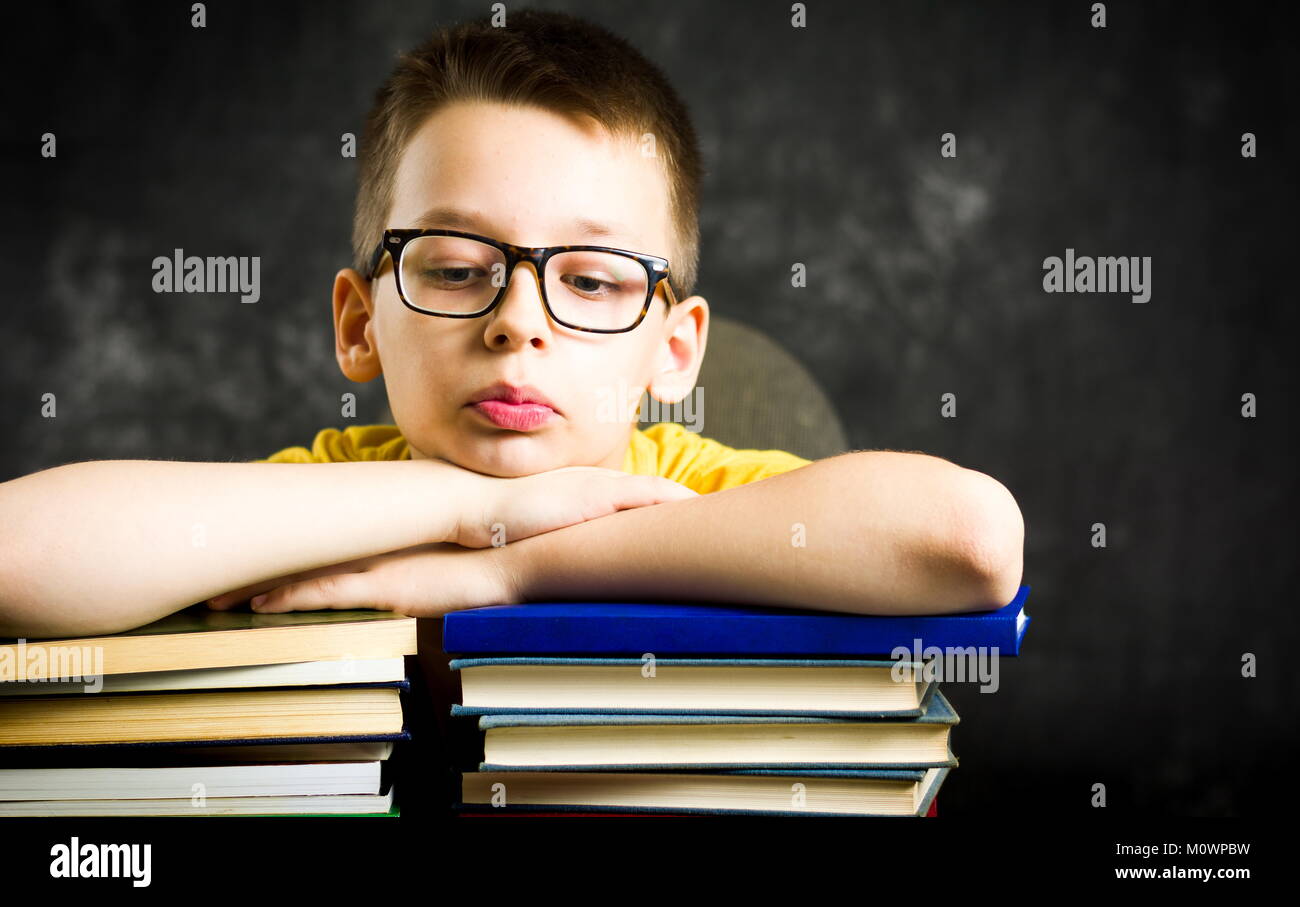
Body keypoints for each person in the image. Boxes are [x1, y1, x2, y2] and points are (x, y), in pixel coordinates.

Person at [0, 8, 1023, 640]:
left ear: (673, 349)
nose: (518, 323)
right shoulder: (334, 491)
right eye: (454, 267)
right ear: (359, 325)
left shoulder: (687, 491)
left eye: (589, 281)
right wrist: (453, 503)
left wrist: (509, 561)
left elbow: (967, 541)